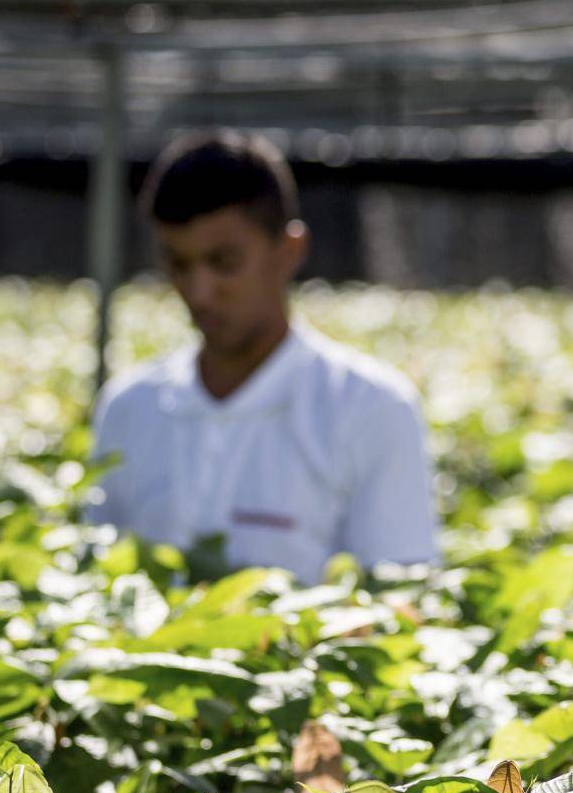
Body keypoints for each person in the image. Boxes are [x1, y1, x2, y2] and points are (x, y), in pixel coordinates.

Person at [87, 129, 440, 582]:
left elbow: (399, 597)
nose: (199, 291)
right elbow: (99, 579)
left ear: (290, 251)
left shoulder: (370, 409)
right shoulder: (129, 408)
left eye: (224, 263)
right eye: (179, 264)